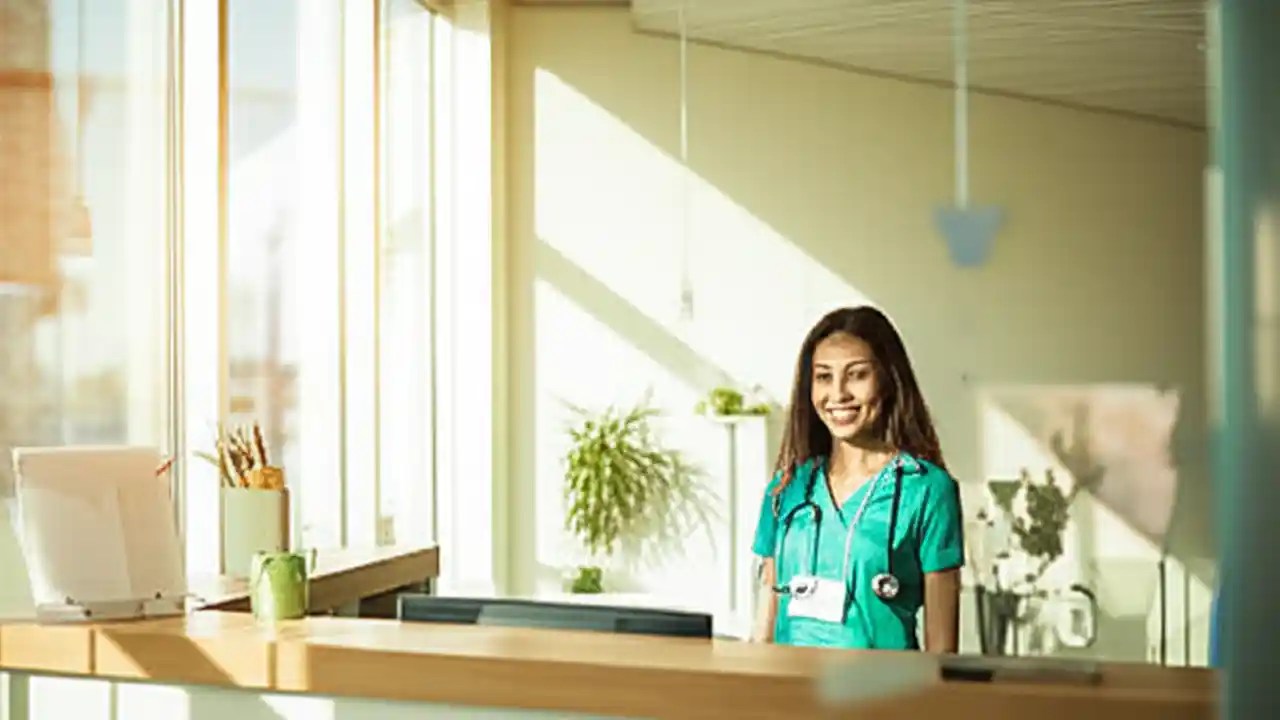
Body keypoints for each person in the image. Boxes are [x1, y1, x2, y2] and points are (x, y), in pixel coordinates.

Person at [750, 306, 964, 651]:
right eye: (823, 377)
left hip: (883, 699)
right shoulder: (786, 489)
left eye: (857, 375)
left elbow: (942, 652)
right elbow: (764, 627)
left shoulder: (927, 489)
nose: (838, 394)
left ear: (888, 379)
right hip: (788, 695)